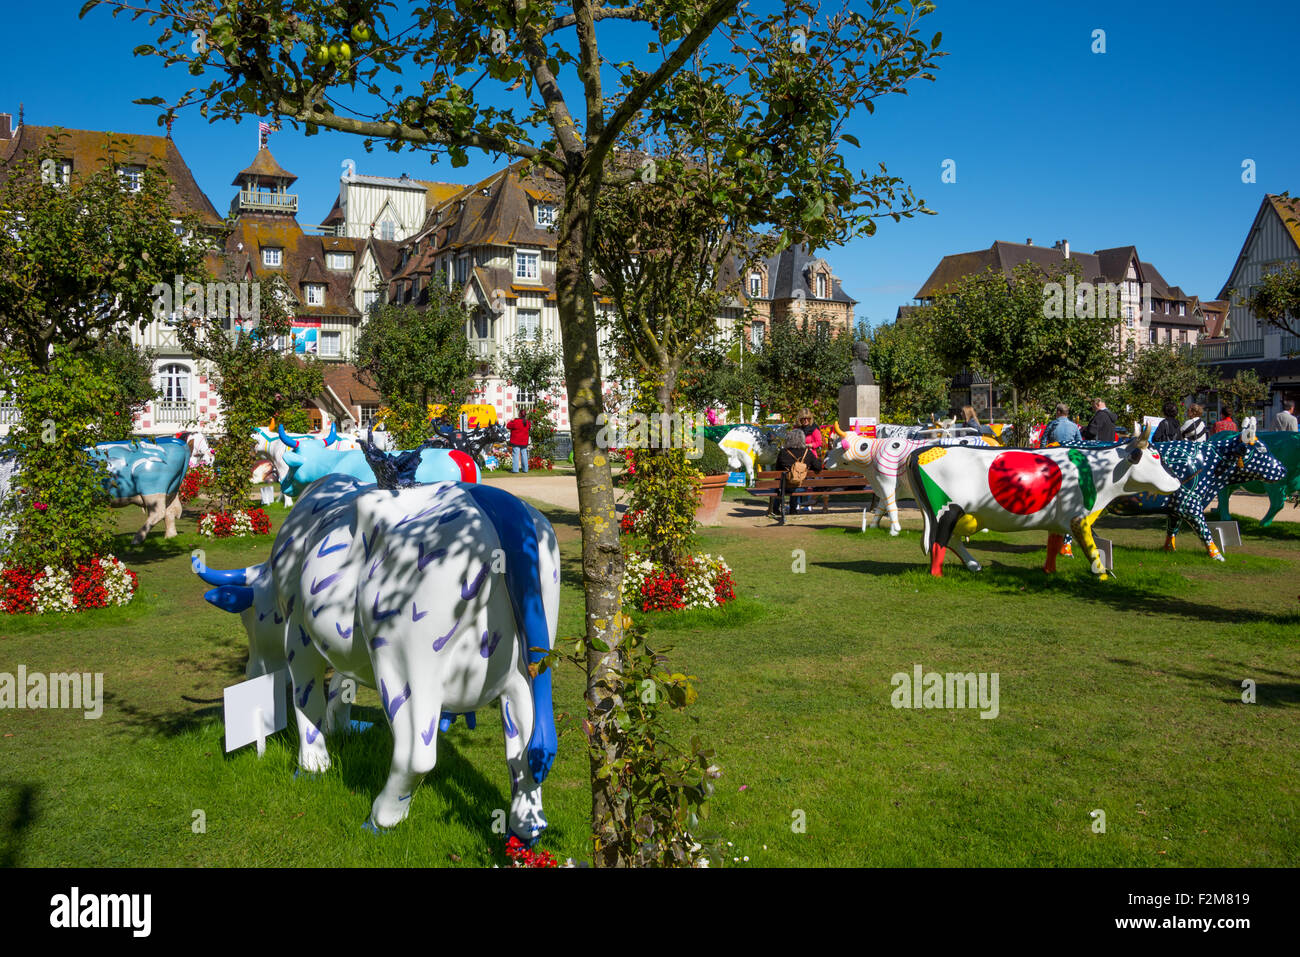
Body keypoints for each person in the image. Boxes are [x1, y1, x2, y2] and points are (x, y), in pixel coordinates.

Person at [770, 428, 821, 525]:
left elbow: (777, 469)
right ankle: (793, 509)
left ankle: (775, 509)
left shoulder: (783, 452)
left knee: (783, 481)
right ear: (802, 439)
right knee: (795, 481)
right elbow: (818, 468)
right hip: (801, 487)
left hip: (784, 488)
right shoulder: (808, 453)